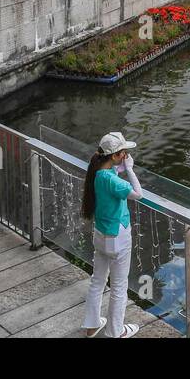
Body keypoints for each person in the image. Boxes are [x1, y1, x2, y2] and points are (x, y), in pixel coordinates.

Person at [80, 132, 143, 338]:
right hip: (119, 238)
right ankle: (115, 332)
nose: (126, 155)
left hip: (100, 235)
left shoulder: (97, 174)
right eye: (124, 153)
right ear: (115, 156)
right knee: (119, 286)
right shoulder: (115, 182)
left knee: (97, 281)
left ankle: (91, 326)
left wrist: (119, 168)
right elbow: (137, 194)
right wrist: (131, 170)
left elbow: (110, 175)